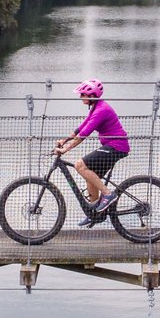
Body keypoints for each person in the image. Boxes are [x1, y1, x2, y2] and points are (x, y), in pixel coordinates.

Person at [54, 79, 130, 226]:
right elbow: (81, 127)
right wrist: (64, 140)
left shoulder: (101, 110)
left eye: (83, 94)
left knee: (80, 165)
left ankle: (108, 195)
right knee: (89, 174)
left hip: (116, 146)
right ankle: (95, 213)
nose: (80, 97)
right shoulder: (96, 107)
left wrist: (65, 149)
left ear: (91, 95)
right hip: (111, 145)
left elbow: (83, 135)